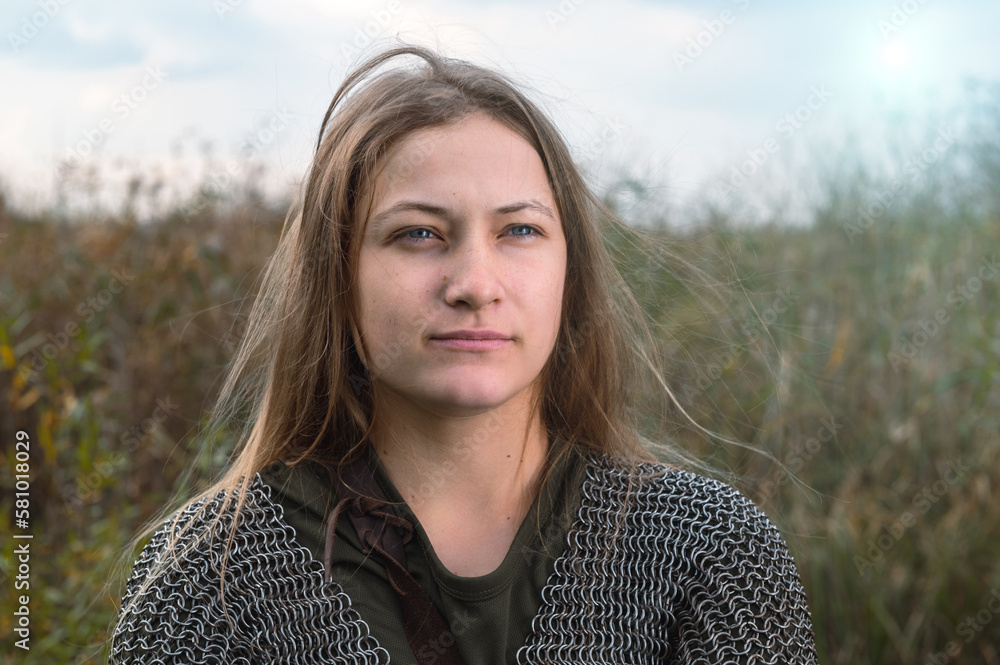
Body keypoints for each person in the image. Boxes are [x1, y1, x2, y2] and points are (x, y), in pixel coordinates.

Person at [108, 42, 819, 664]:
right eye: (419, 233)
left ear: (569, 274)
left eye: (519, 231)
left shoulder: (706, 554)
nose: (476, 285)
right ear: (338, 276)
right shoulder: (210, 580)